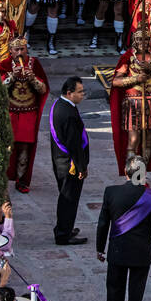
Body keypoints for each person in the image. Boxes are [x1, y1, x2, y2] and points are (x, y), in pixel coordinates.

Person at [96, 155, 151, 301]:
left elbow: (103, 223)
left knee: (114, 290)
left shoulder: (111, 192)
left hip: (117, 251)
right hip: (141, 252)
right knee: (136, 293)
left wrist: (100, 248)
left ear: (126, 172)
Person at [109, 27, 151, 174]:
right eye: (139, 39)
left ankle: (142, 173)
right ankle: (132, 173)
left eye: (145, 39)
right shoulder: (128, 58)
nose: (142, 42)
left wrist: (150, 69)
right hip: (133, 103)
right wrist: (135, 78)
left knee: (148, 142)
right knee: (133, 141)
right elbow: (116, 82)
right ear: (134, 41)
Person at [1, 36, 50, 194]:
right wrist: (12, 77)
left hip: (29, 114)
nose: (20, 52)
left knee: (24, 149)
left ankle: (22, 180)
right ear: (11, 51)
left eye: (23, 49)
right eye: (17, 49)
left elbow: (43, 89)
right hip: (10, 113)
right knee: (6, 148)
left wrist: (33, 79)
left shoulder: (34, 64)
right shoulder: (5, 65)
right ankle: (2, 179)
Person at [49, 77, 89, 246]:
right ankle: (63, 234)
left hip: (59, 160)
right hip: (69, 165)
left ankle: (65, 227)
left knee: (66, 198)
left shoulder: (59, 105)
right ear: (69, 93)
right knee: (68, 200)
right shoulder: (69, 114)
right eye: (79, 92)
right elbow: (74, 144)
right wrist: (81, 167)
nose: (83, 95)